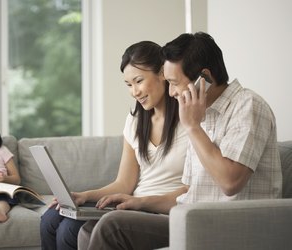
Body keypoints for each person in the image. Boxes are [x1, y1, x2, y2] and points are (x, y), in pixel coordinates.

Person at [77, 32, 283, 249]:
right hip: (191, 219)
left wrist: (192, 127)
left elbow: (230, 183)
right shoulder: (203, 114)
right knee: (89, 229)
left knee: (113, 227)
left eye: (174, 83)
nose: (172, 92)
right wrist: (139, 202)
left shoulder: (248, 106)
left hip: (228, 226)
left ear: (204, 78)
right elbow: (189, 194)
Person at [40, 41, 188, 250]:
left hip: (158, 210)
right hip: (134, 206)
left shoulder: (189, 121)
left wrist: (141, 202)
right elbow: (124, 183)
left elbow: (194, 190)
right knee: (51, 218)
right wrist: (84, 196)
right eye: (128, 85)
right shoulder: (136, 120)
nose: (134, 92)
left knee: (69, 229)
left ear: (162, 73)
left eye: (139, 81)